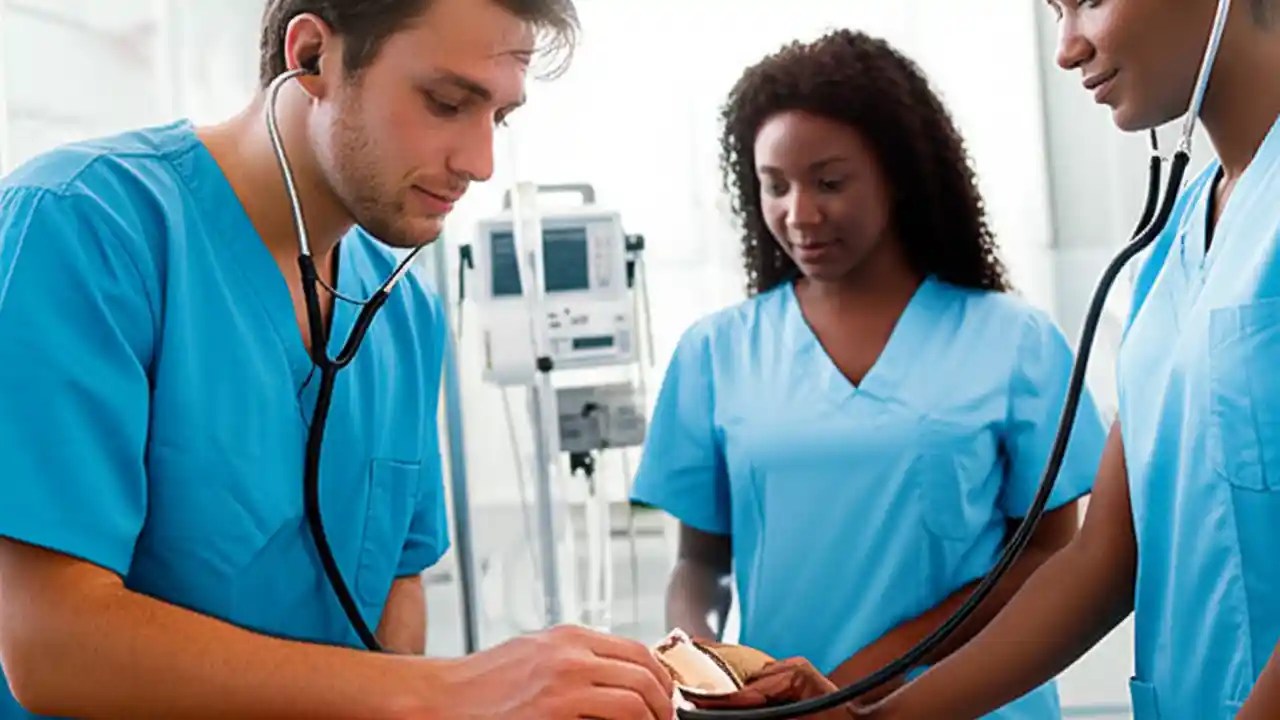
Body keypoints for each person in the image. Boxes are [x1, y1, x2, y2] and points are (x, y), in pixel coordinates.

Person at [0, 1, 675, 718]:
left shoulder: (406, 312)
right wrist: (454, 690)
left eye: (499, 118)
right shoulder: (80, 228)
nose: (479, 163)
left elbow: (396, 586)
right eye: (446, 103)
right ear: (313, 56)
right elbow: (49, 643)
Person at [629, 29, 1109, 720]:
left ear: (898, 177)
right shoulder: (715, 352)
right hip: (784, 713)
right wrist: (704, 665)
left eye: (829, 182)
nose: (799, 214)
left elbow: (1047, 559)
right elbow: (700, 563)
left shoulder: (1015, 342)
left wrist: (855, 681)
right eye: (775, 186)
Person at [843, 1, 1280, 718]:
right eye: (1055, 11)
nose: (1067, 49)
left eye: (1090, 2)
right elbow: (1100, 560)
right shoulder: (1174, 240)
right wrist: (868, 717)